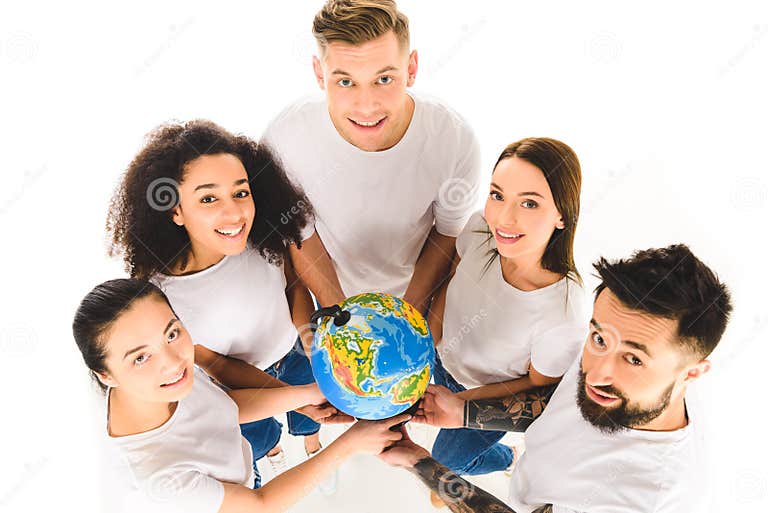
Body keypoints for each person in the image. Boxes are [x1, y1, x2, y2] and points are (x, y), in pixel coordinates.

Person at [381, 244, 732, 513]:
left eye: (633, 358)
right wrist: (464, 412)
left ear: (693, 373)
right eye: (598, 339)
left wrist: (419, 462)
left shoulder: (646, 497)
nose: (598, 372)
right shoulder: (632, 376)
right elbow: (563, 401)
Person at [106, 120, 336, 488]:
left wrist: (308, 337)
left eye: (241, 193)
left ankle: (313, 446)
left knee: (314, 415)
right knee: (260, 438)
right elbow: (215, 363)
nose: (234, 214)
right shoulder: (162, 298)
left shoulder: (262, 236)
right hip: (240, 386)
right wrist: (289, 398)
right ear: (175, 211)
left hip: (294, 352)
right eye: (208, 198)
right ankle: (275, 454)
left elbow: (293, 283)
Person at [72, 278, 409, 513]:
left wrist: (308, 394)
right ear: (105, 375)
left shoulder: (157, 385)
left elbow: (221, 409)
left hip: (238, 476)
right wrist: (350, 444)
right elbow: (260, 507)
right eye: (141, 357)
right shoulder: (158, 481)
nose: (175, 361)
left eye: (172, 333)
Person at [262, 0, 482, 313]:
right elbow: (301, 235)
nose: (367, 106)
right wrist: (343, 320)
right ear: (319, 75)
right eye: (345, 81)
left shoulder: (455, 140)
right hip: (330, 296)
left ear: (411, 69)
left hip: (413, 295)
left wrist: (407, 316)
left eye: (383, 79)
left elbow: (447, 233)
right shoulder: (285, 138)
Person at [427, 137, 587, 479]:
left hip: (483, 397)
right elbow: (453, 279)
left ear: (562, 215)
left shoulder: (562, 313)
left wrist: (463, 403)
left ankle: (507, 459)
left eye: (529, 204)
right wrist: (430, 338)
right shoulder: (480, 228)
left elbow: (535, 384)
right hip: (440, 360)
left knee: (446, 462)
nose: (504, 218)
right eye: (497, 195)